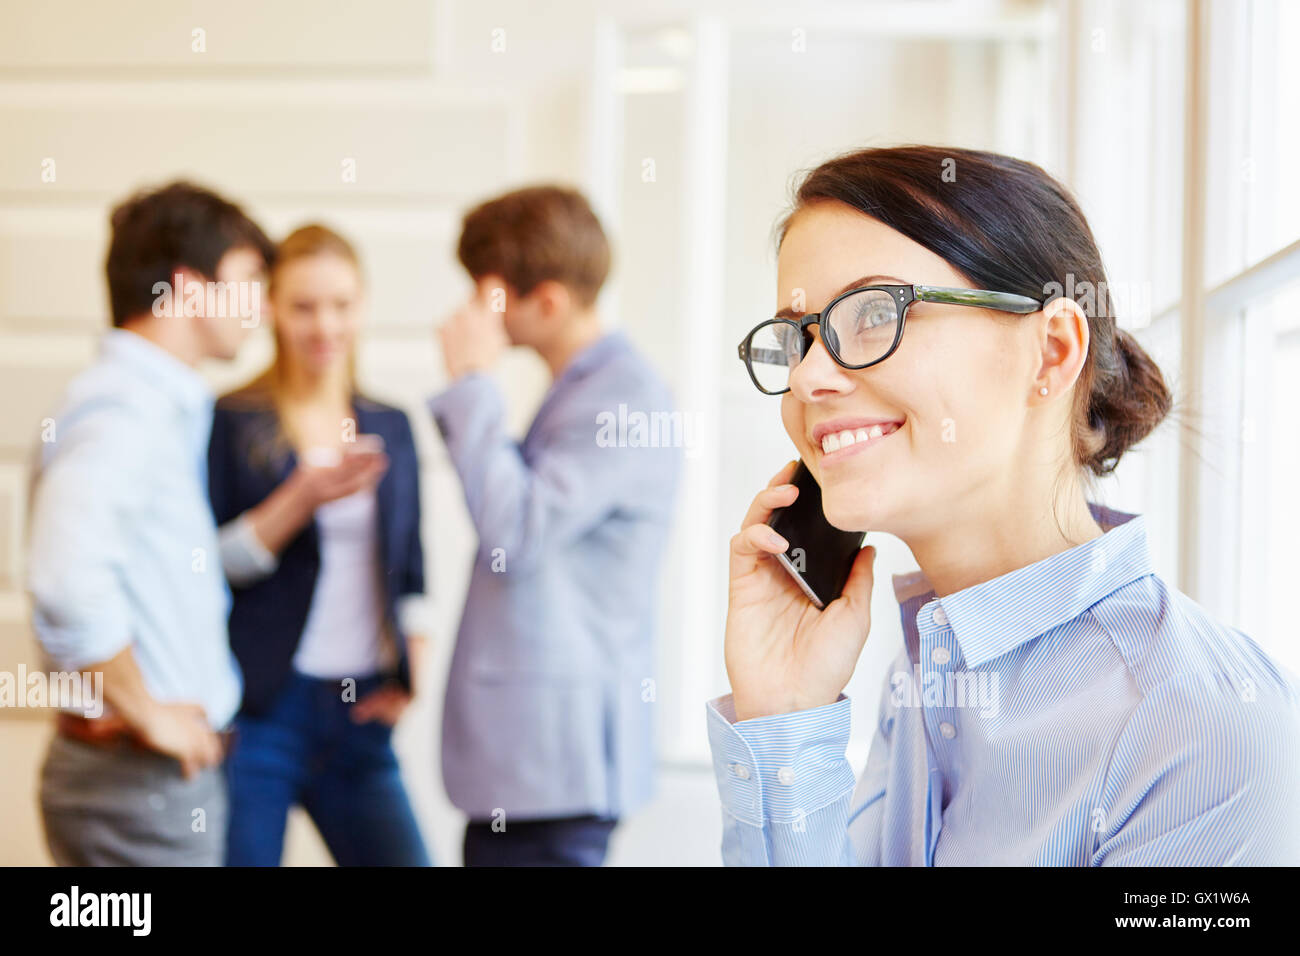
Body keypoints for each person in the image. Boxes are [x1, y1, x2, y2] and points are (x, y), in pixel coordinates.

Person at [718, 144, 1300, 866]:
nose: (808, 377)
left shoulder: (1202, 729)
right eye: (800, 337)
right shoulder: (928, 662)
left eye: (873, 313)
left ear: (1052, 352)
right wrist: (784, 714)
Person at [430, 185, 681, 866]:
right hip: (536, 768)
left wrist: (473, 384)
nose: (470, 315)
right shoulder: (582, 385)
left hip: (556, 769)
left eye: (487, 297)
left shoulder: (622, 394)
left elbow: (513, 529)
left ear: (547, 303)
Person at [27, 180, 273, 866]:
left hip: (148, 784)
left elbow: (164, 571)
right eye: (249, 281)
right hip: (138, 781)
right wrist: (148, 713)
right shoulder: (126, 409)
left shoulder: (155, 405)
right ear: (191, 289)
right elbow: (64, 582)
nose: (262, 306)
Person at [207, 224, 432, 866]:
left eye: (340, 303)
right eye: (303, 305)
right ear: (272, 307)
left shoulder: (391, 424)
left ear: (362, 306)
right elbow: (207, 567)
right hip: (262, 711)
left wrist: (410, 672)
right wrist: (300, 497)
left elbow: (412, 567)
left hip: (361, 712)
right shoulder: (230, 419)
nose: (323, 324)